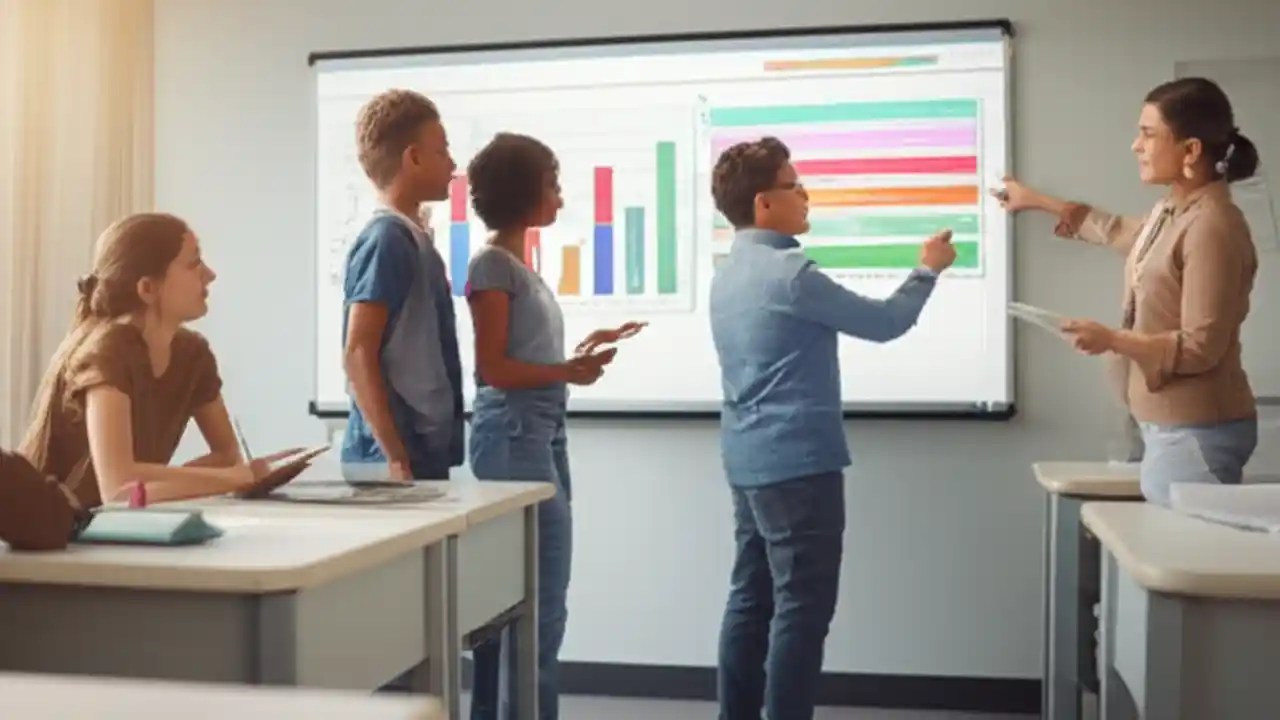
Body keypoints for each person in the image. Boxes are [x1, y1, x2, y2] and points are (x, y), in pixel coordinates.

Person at [708, 136, 956, 720]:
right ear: (765, 204)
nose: (805, 195)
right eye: (795, 185)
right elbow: (886, 322)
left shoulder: (728, 272)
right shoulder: (791, 273)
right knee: (802, 608)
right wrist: (927, 270)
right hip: (798, 465)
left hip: (748, 462)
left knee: (751, 599)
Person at [994, 77, 1261, 506]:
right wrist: (1037, 201)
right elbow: (1117, 231)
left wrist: (1112, 339)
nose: (1135, 146)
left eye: (1148, 134)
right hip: (1160, 424)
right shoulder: (1172, 211)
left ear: (1190, 150)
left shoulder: (1213, 225)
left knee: (1169, 559)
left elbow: (1201, 347)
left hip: (1194, 431)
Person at [463, 132, 643, 720]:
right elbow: (492, 367)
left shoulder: (515, 265)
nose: (561, 197)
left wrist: (583, 349)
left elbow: (523, 353)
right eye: (553, 184)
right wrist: (567, 369)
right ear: (524, 190)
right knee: (539, 611)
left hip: (538, 431)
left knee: (529, 608)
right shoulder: (492, 262)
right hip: (516, 435)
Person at [20, 213, 297, 509]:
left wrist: (235, 475)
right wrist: (237, 478)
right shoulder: (108, 351)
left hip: (116, 533)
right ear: (148, 289)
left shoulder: (193, 354)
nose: (210, 274)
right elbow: (116, 487)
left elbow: (227, 458)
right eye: (194, 263)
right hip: (56, 538)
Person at [341, 89, 465, 482]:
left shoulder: (415, 237)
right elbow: (358, 351)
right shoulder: (387, 240)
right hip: (393, 461)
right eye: (442, 151)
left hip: (421, 453)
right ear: (412, 158)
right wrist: (395, 457)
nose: (453, 163)